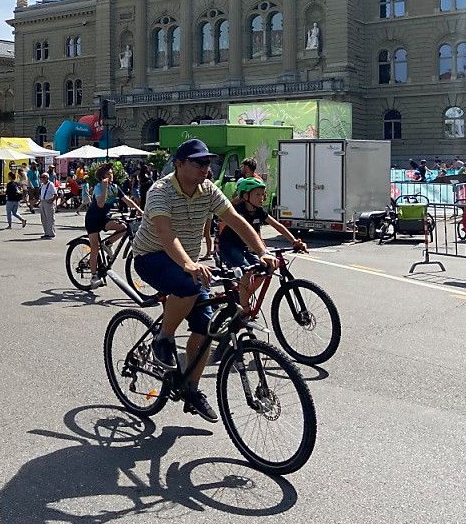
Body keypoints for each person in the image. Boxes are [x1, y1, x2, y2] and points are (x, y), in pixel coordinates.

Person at [131, 139, 277, 422]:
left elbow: (234, 219)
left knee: (205, 327)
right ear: (179, 164)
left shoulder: (208, 190)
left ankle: (192, 390)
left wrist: (262, 251)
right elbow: (164, 232)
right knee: (187, 285)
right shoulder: (160, 191)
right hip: (152, 256)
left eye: (207, 162)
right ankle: (164, 337)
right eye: (198, 163)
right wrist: (188, 264)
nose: (205, 168)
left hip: (188, 260)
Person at [219, 177, 307, 306]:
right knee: (247, 271)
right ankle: (244, 308)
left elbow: (278, 226)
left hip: (244, 247)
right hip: (229, 247)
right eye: (257, 194)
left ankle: (240, 296)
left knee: (264, 270)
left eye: (262, 194)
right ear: (245, 196)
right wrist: (260, 249)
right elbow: (233, 230)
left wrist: (294, 241)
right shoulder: (238, 211)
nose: (262, 198)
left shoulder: (258, 211)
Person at [86, 163, 142, 284]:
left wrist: (140, 211)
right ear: (102, 177)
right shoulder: (98, 187)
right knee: (95, 247)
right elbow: (100, 204)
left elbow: (127, 201)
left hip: (104, 218)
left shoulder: (115, 187)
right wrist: (105, 187)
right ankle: (94, 276)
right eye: (108, 174)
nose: (111, 175)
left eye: (111, 173)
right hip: (92, 219)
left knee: (124, 227)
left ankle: (107, 243)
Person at [38, 172, 57, 238]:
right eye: (41, 177)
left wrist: (51, 200)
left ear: (47, 178)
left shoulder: (50, 184)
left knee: (50, 218)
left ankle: (51, 233)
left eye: (43, 177)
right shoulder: (42, 185)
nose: (41, 179)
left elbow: (55, 194)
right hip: (43, 202)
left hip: (48, 202)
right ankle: (46, 233)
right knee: (44, 218)